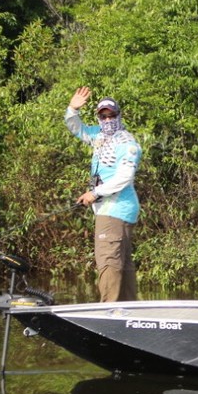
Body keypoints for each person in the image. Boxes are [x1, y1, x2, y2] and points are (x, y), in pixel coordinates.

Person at [66, 86, 142, 302]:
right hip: (114, 210)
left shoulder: (127, 143)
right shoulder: (98, 137)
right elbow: (76, 128)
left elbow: (125, 176)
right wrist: (72, 109)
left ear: (119, 115)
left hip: (115, 209)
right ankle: (128, 309)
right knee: (122, 264)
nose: (108, 120)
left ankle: (109, 309)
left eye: (112, 115)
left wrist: (95, 193)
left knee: (109, 261)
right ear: (99, 118)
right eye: (103, 116)